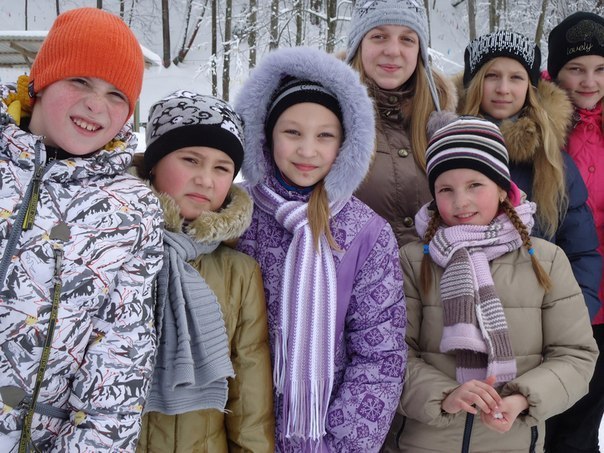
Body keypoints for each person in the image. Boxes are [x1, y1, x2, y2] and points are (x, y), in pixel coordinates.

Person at [0, 8, 163, 452]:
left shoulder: (131, 211)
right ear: (40, 82)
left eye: (116, 94)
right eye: (80, 81)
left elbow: (119, 359)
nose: (96, 105)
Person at [384, 114, 598, 453]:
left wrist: (523, 398)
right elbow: (391, 354)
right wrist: (444, 395)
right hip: (424, 442)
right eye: (446, 189)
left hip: (512, 441)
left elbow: (575, 354)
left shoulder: (546, 260)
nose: (460, 202)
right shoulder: (413, 261)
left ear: (502, 189)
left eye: (475, 185)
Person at [234, 46, 406, 452]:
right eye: (292, 133)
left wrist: (340, 447)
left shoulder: (366, 234)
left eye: (325, 135)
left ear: (345, 143)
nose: (308, 151)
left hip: (324, 438)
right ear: (266, 135)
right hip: (238, 433)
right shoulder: (235, 215)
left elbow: (379, 355)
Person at [133, 90, 275, 452]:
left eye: (222, 168)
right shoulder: (117, 248)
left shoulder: (239, 273)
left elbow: (250, 397)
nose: (206, 180)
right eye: (190, 160)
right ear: (154, 162)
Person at [457, 30, 602, 322]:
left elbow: (581, 253)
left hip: (538, 325)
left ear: (530, 87)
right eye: (491, 76)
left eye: (516, 77)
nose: (503, 89)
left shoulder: (553, 164)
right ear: (474, 83)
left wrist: (571, 320)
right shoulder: (447, 151)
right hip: (460, 320)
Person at [345, 0, 457, 247]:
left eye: (407, 39)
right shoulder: (328, 116)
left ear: (420, 50)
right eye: (379, 36)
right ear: (358, 45)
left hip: (433, 271)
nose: (393, 51)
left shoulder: (442, 121)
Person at [544, 12, 604, 453]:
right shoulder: (537, 126)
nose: (590, 81)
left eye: (601, 69)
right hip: (555, 302)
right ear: (555, 70)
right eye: (576, 68)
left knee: (581, 430)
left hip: (603, 313)